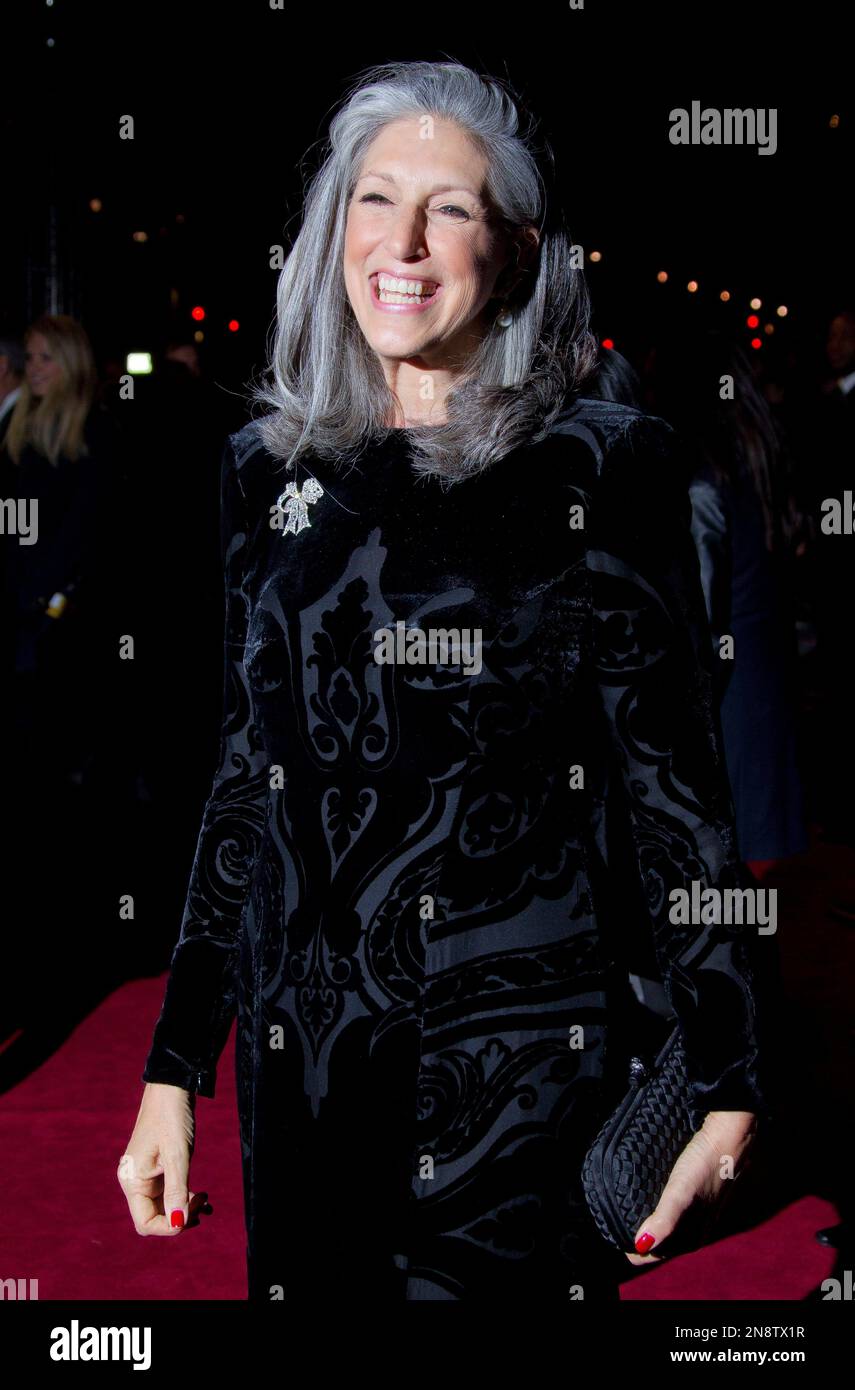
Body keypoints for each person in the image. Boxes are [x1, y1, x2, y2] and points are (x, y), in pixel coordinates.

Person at [119, 61, 779, 1301]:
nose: (404, 242)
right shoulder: (264, 473)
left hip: (517, 1068)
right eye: (375, 200)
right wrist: (176, 1066)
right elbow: (242, 783)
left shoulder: (610, 466)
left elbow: (678, 799)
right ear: (331, 231)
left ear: (518, 254)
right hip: (303, 1073)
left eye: (451, 209)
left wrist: (729, 1076)